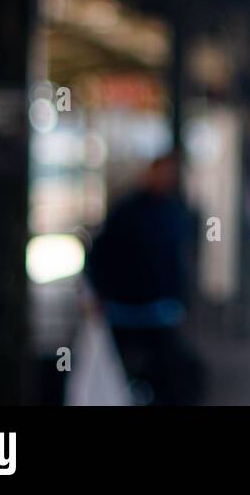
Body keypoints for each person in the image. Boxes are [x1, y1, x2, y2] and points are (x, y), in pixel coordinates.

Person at [85, 153, 206, 404]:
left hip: (159, 308)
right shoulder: (127, 212)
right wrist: (99, 293)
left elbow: (177, 260)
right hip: (126, 307)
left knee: (165, 373)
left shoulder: (175, 212)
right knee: (124, 372)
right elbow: (99, 255)